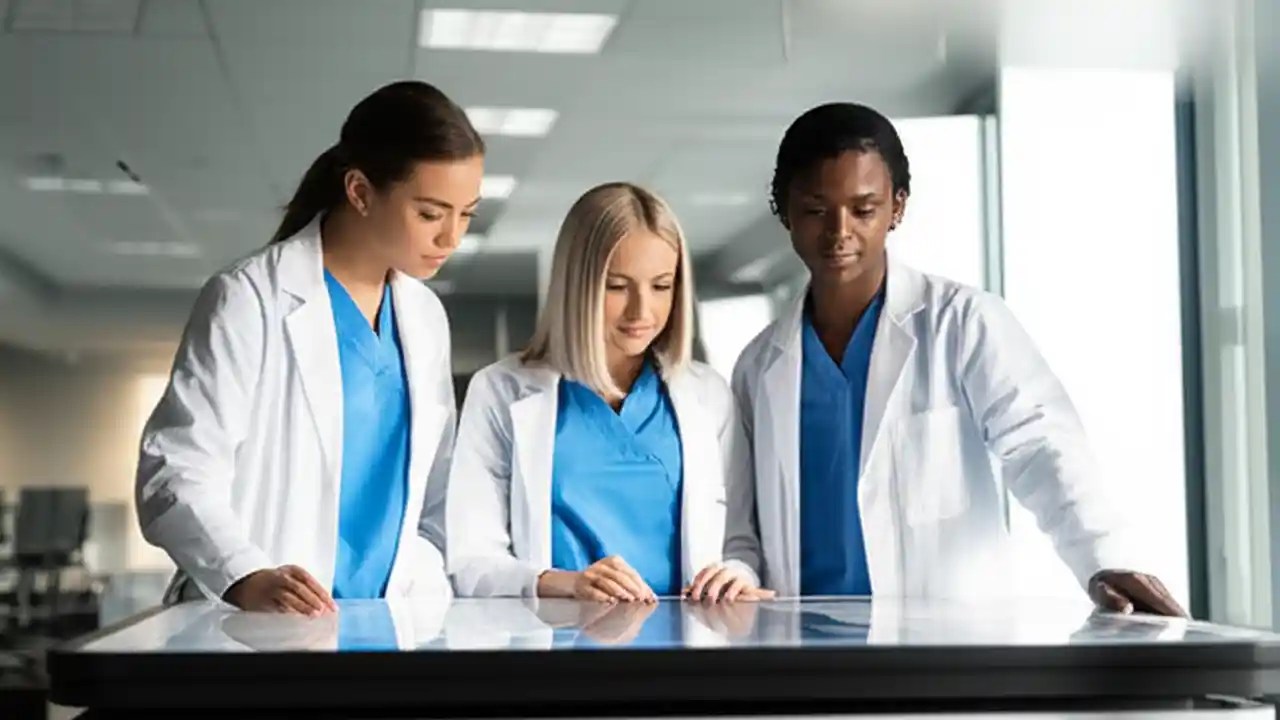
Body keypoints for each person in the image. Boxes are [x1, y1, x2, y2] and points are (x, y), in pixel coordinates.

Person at [729, 103, 1186, 616]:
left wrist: (1103, 559)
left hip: (943, 640)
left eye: (864, 209)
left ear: (897, 207)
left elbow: (1041, 446)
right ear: (784, 210)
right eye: (816, 209)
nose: (839, 232)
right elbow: (743, 526)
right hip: (805, 645)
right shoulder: (758, 366)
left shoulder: (963, 323)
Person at [136, 80, 484, 614]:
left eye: (467, 214)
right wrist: (244, 575)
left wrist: (427, 570)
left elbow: (436, 489)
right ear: (361, 192)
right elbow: (176, 471)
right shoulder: (249, 298)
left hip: (387, 618)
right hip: (255, 622)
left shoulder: (424, 316)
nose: (452, 237)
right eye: (431, 213)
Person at [446, 182, 770, 603]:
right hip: (560, 648)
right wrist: (566, 584)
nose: (642, 311)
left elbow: (740, 542)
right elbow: (472, 560)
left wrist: (735, 574)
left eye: (661, 286)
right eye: (617, 286)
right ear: (576, 285)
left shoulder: (708, 395)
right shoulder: (501, 392)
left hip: (684, 651)